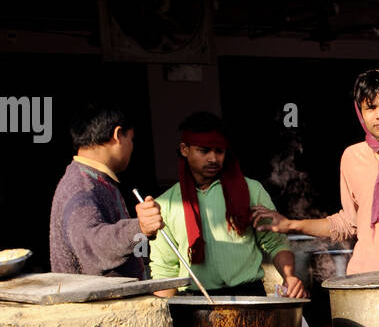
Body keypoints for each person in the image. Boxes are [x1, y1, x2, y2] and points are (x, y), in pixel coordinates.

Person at [251, 69, 379, 274]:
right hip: (365, 278)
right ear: (361, 113)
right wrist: (291, 224)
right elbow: (349, 223)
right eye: (371, 108)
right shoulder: (352, 157)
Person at [149, 112, 304, 298]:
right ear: (185, 149)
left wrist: (290, 277)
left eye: (219, 151)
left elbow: (276, 243)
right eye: (204, 151)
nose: (213, 159)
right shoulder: (165, 204)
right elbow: (165, 269)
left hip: (249, 297)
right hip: (195, 303)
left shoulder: (251, 190)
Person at [49, 105, 163, 278]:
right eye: (131, 139)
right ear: (118, 135)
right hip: (92, 304)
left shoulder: (96, 179)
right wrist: (139, 227)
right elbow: (91, 245)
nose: (132, 147)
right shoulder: (81, 187)